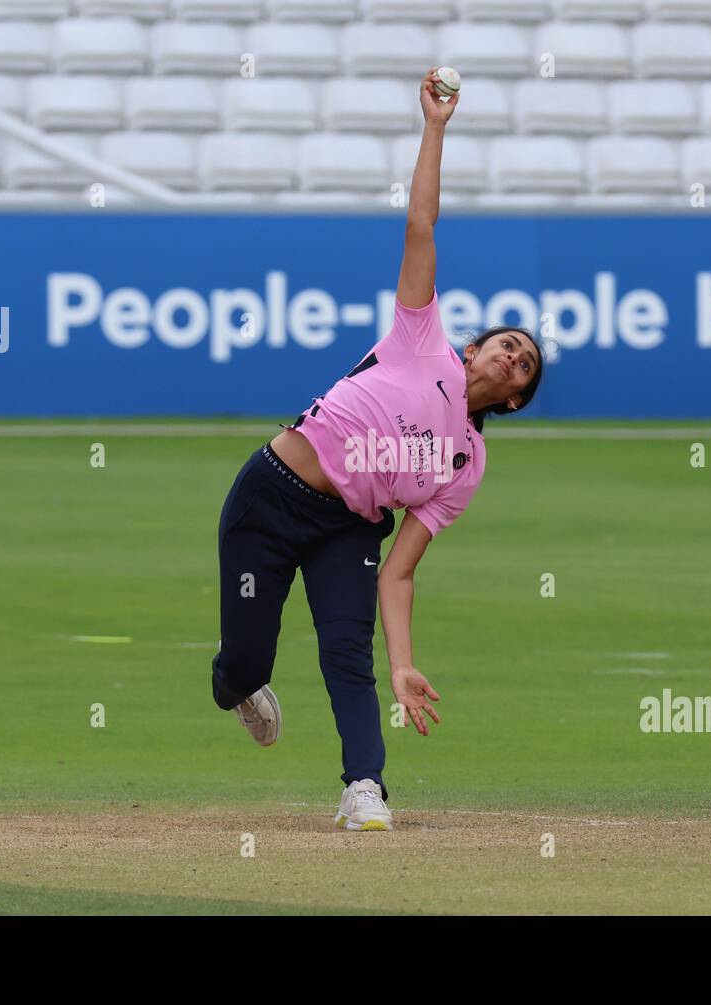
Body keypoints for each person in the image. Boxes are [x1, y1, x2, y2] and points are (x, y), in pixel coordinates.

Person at [210, 69, 547, 831]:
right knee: (243, 665)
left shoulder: (468, 463)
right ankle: (237, 686)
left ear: (517, 397)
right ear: (474, 346)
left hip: (349, 526)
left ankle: (364, 784)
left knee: (347, 652)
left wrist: (404, 660)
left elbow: (401, 569)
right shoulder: (420, 338)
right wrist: (435, 127)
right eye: (505, 344)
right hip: (270, 494)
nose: (510, 358)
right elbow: (420, 229)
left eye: (522, 363)